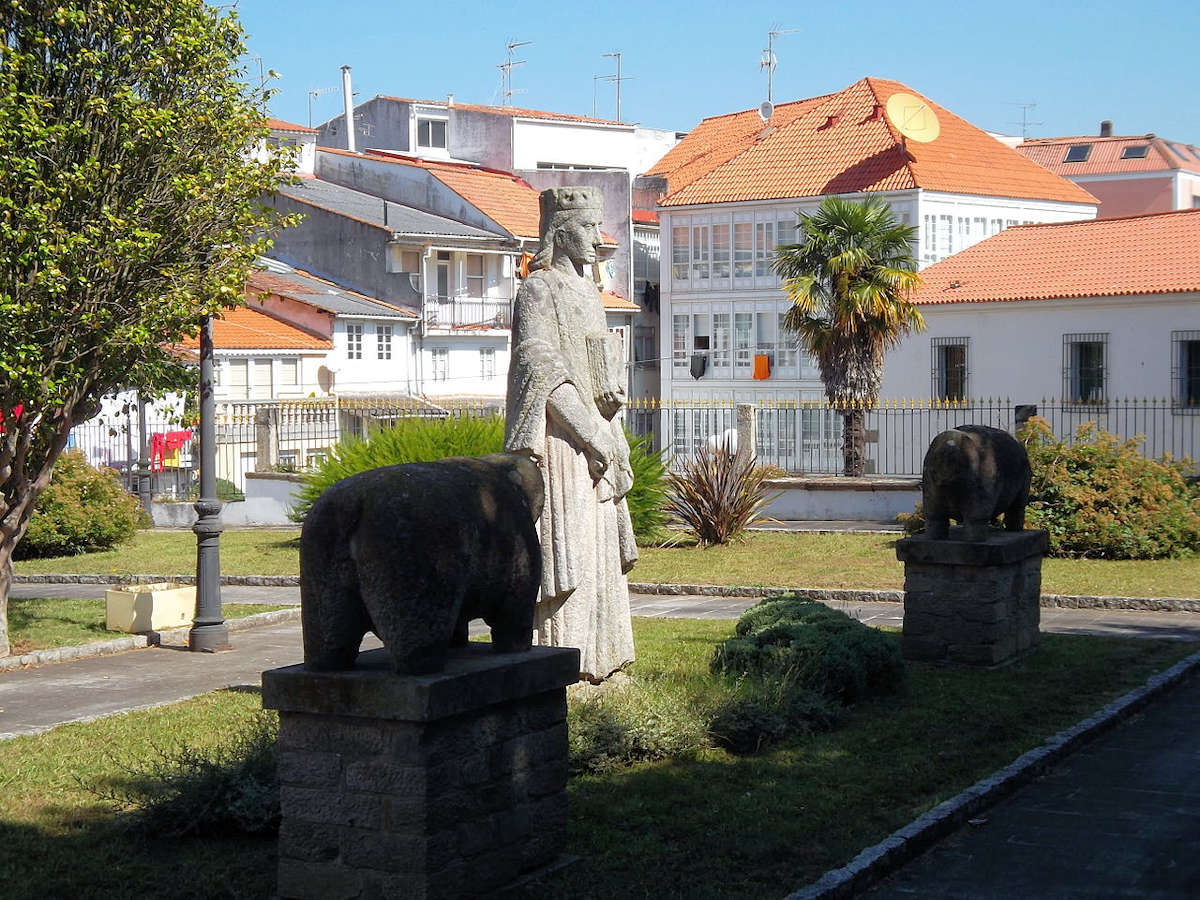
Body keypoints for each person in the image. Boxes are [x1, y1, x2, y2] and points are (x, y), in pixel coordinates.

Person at [505, 187, 638, 682]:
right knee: (574, 556)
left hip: (599, 441)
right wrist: (590, 434)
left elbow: (598, 370)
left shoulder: (589, 293)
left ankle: (606, 661)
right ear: (560, 233)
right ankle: (566, 667)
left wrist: (614, 434)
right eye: (586, 229)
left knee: (603, 557)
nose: (597, 240)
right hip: (563, 443)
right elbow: (541, 371)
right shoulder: (538, 291)